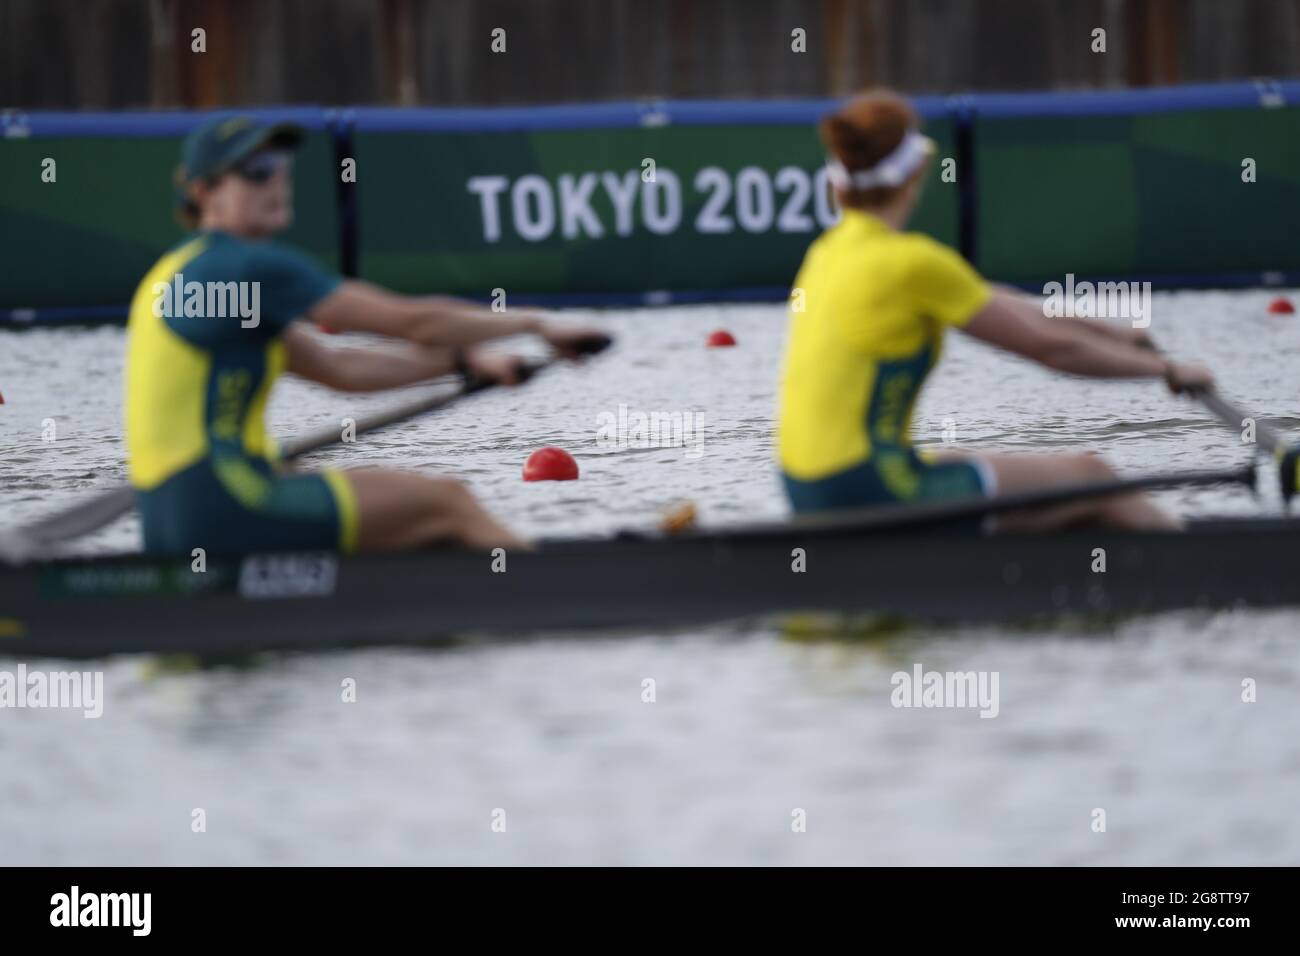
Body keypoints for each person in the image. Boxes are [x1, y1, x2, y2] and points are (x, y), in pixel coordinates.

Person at [126, 114, 601, 556]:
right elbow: (417, 321)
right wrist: (537, 324)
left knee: (411, 522)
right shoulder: (245, 266)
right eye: (256, 168)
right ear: (207, 191)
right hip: (227, 502)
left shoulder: (178, 275)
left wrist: (463, 360)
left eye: (282, 165)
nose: (276, 179)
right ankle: (558, 594)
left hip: (169, 519)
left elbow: (342, 368)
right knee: (448, 502)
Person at [777, 90, 1214, 531]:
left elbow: (1007, 304)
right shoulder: (912, 262)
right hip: (866, 485)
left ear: (838, 182)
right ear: (916, 173)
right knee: (1093, 477)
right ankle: (1199, 576)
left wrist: (1120, 335)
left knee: (960, 460)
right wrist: (1166, 370)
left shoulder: (826, 253)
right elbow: (1053, 349)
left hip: (805, 486)